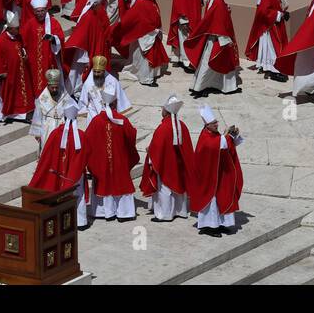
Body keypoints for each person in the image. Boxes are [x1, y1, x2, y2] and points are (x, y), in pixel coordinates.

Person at [83, 83, 140, 221]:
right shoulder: (122, 120)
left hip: (102, 162)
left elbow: (87, 141)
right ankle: (124, 213)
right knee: (120, 182)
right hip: (119, 160)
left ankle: (104, 212)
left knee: (104, 181)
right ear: (115, 103)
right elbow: (131, 135)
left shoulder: (96, 121)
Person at [189, 104, 243, 236]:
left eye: (216, 122)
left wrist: (232, 136)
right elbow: (215, 146)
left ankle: (221, 223)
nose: (216, 125)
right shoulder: (205, 137)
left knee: (222, 198)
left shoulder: (214, 134)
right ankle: (210, 227)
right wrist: (226, 136)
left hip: (219, 174)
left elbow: (223, 145)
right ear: (206, 125)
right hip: (209, 177)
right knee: (211, 203)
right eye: (213, 123)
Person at [140, 95, 192, 222]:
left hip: (165, 163)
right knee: (179, 186)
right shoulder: (181, 125)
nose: (161, 110)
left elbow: (157, 146)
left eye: (162, 108)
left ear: (166, 111)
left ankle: (165, 214)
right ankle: (181, 211)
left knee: (165, 188)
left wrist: (150, 151)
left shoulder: (163, 127)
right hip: (178, 163)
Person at [186, 0, 241, 96]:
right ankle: (200, 88)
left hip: (216, 37)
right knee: (211, 64)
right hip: (218, 39)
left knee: (216, 64)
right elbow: (218, 23)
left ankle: (215, 86)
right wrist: (225, 40)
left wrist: (226, 8)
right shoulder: (218, 3)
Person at [28, 118, 87, 225]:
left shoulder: (55, 134)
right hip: (76, 173)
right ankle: (80, 221)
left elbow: (46, 153)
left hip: (58, 171)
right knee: (78, 194)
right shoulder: (81, 135)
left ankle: (62, 220)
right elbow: (87, 153)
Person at [246, 0, 288, 79]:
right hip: (269, 28)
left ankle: (272, 67)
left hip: (274, 24)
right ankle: (272, 69)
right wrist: (279, 14)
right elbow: (264, 11)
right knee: (271, 48)